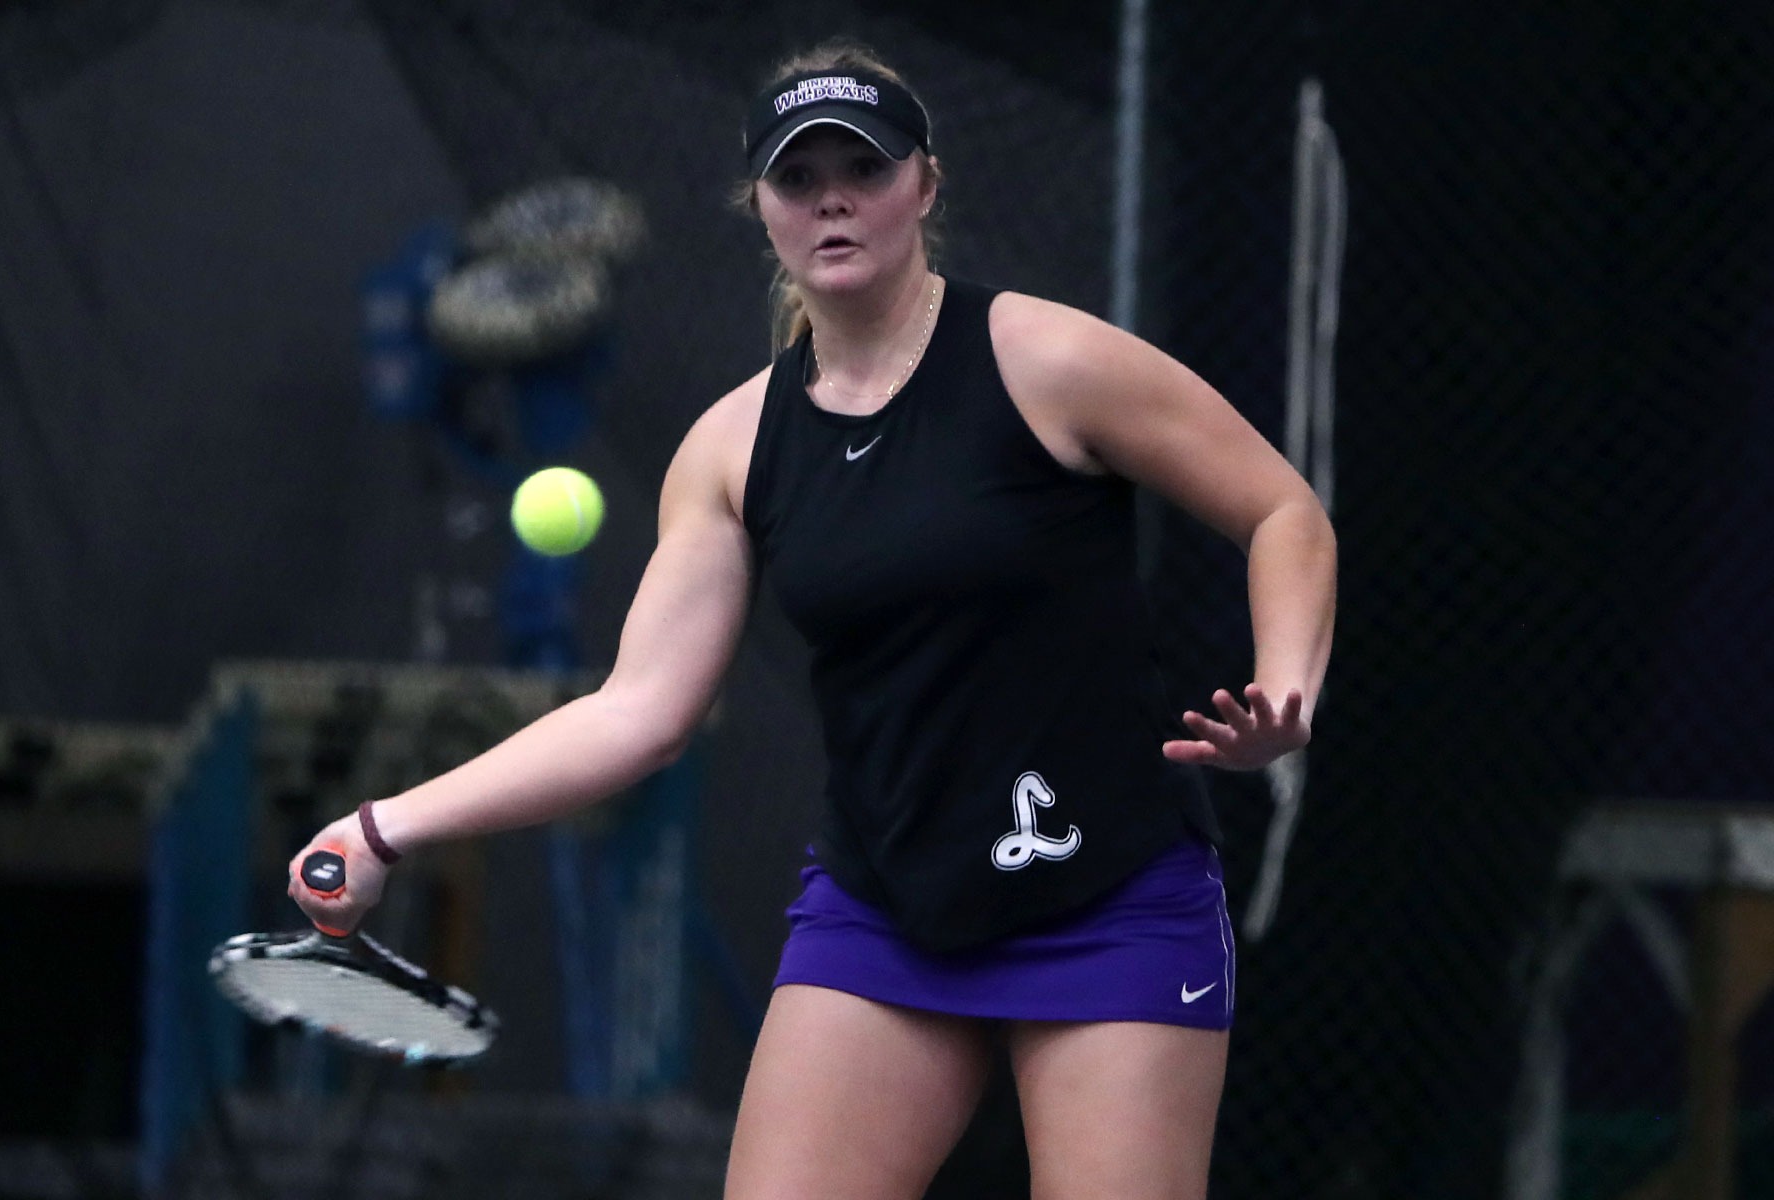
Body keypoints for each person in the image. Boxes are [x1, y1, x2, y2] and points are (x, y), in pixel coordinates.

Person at [291, 40, 1335, 1200]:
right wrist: (384, 827)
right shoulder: (733, 449)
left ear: (925, 186)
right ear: (764, 208)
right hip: (886, 909)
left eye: (865, 166)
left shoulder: (1049, 360)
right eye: (799, 176)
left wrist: (1287, 690)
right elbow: (637, 713)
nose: (832, 195)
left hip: (1111, 899)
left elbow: (1283, 510)